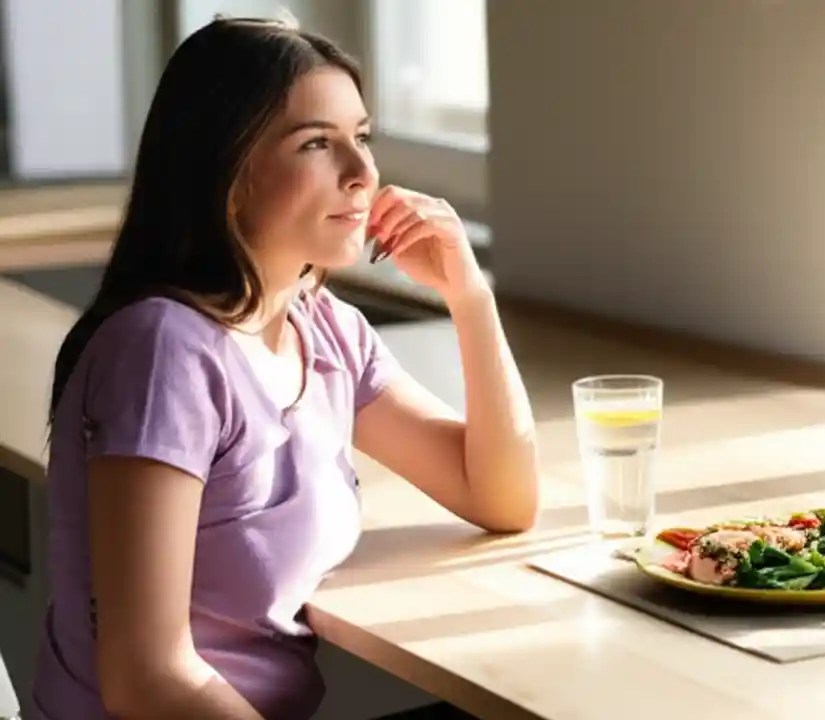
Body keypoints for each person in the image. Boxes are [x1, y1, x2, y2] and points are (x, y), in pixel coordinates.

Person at [31, 15, 539, 720]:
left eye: (361, 138)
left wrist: (469, 295)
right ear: (228, 173)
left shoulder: (322, 330)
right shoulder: (163, 353)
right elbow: (146, 679)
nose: (362, 174)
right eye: (317, 144)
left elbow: (499, 496)